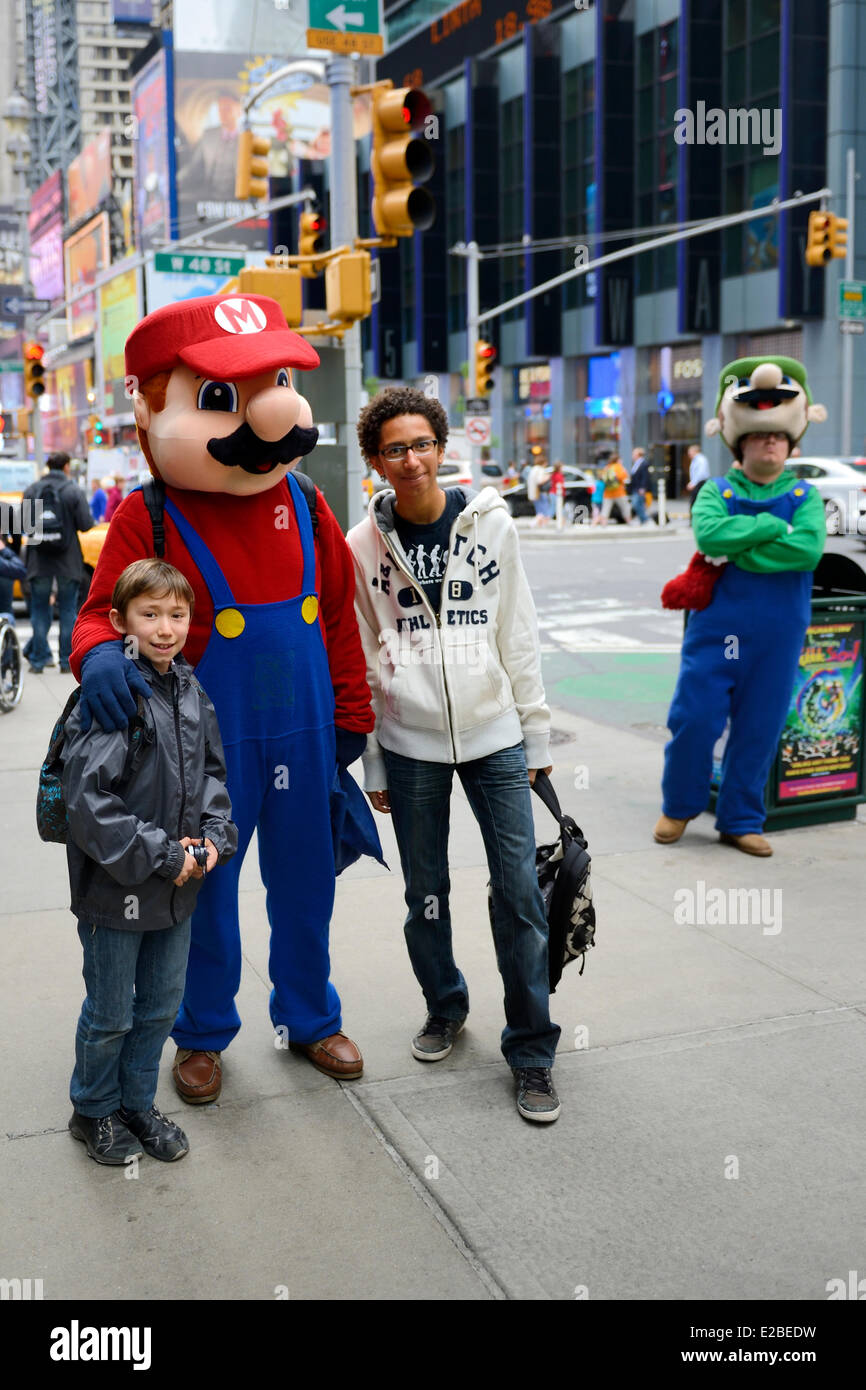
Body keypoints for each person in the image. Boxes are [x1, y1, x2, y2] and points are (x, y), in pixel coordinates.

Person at [69, 293, 377, 1105]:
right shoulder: (151, 514)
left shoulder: (307, 503)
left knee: (307, 885)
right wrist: (99, 655)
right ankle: (200, 1032)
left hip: (305, 731)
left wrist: (353, 714)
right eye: (219, 398)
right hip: (201, 743)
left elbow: (339, 618)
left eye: (276, 381)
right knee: (203, 890)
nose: (271, 417)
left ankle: (310, 1018)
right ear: (151, 407)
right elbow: (99, 612)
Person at [348, 386, 563, 1124]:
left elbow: (519, 633)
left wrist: (535, 737)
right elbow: (370, 656)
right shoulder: (360, 547)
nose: (411, 460)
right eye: (394, 449)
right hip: (409, 746)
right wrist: (374, 760)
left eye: (422, 444)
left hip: (495, 735)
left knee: (519, 893)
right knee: (425, 891)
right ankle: (445, 1008)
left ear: (443, 447)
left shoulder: (491, 526)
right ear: (375, 461)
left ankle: (532, 1050)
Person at [61, 558, 238, 1165]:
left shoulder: (190, 688)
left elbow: (211, 774)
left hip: (177, 885)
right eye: (150, 614)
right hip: (118, 890)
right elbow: (89, 803)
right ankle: (93, 1108)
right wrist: (164, 855)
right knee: (110, 1010)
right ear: (118, 622)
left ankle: (136, 1101)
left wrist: (217, 835)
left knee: (161, 1004)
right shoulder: (115, 698)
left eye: (177, 615)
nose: (165, 628)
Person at [655, 356, 827, 857]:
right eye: (758, 436)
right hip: (719, 633)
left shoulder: (805, 495)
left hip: (779, 633)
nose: (768, 442)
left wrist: (739, 547)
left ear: (790, 442)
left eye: (777, 436)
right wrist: (775, 528)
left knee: (760, 726)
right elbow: (709, 532)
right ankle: (679, 806)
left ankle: (740, 819)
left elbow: (808, 550)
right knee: (695, 718)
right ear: (740, 441)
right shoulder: (718, 490)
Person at [22, 452, 93, 674]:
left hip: (38, 561)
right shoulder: (73, 491)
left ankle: (39, 660)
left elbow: (24, 526)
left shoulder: (32, 490)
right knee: (68, 610)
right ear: (66, 467)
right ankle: (65, 661)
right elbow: (85, 524)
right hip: (67, 561)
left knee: (39, 610)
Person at [599, 455, 631, 524]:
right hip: (619, 492)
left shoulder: (607, 467)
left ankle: (603, 524)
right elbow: (624, 477)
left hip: (607, 492)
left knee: (605, 509)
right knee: (625, 507)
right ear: (618, 460)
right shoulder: (619, 467)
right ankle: (629, 522)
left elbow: (602, 478)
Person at [685, 442, 711, 509]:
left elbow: (701, 473)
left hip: (700, 483)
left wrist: (693, 483)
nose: (688, 453)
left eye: (689, 451)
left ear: (694, 451)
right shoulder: (696, 460)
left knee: (695, 502)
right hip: (698, 483)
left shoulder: (700, 460)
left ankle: (695, 518)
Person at [629, 447, 650, 524]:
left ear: (638, 454)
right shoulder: (636, 463)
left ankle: (644, 519)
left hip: (639, 488)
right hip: (635, 487)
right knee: (640, 503)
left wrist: (642, 487)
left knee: (636, 503)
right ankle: (643, 520)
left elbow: (645, 477)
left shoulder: (644, 463)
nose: (632, 455)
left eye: (634, 453)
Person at [527, 456, 551, 525]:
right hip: (540, 492)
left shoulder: (533, 469)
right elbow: (539, 481)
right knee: (543, 510)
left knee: (539, 510)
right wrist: (547, 477)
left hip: (533, 493)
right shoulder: (540, 470)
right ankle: (536, 523)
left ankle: (539, 524)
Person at [549, 459, 566, 525]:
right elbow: (560, 485)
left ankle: (562, 523)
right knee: (555, 509)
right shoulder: (559, 475)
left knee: (556, 508)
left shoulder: (553, 474)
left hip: (553, 493)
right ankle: (544, 522)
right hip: (556, 493)